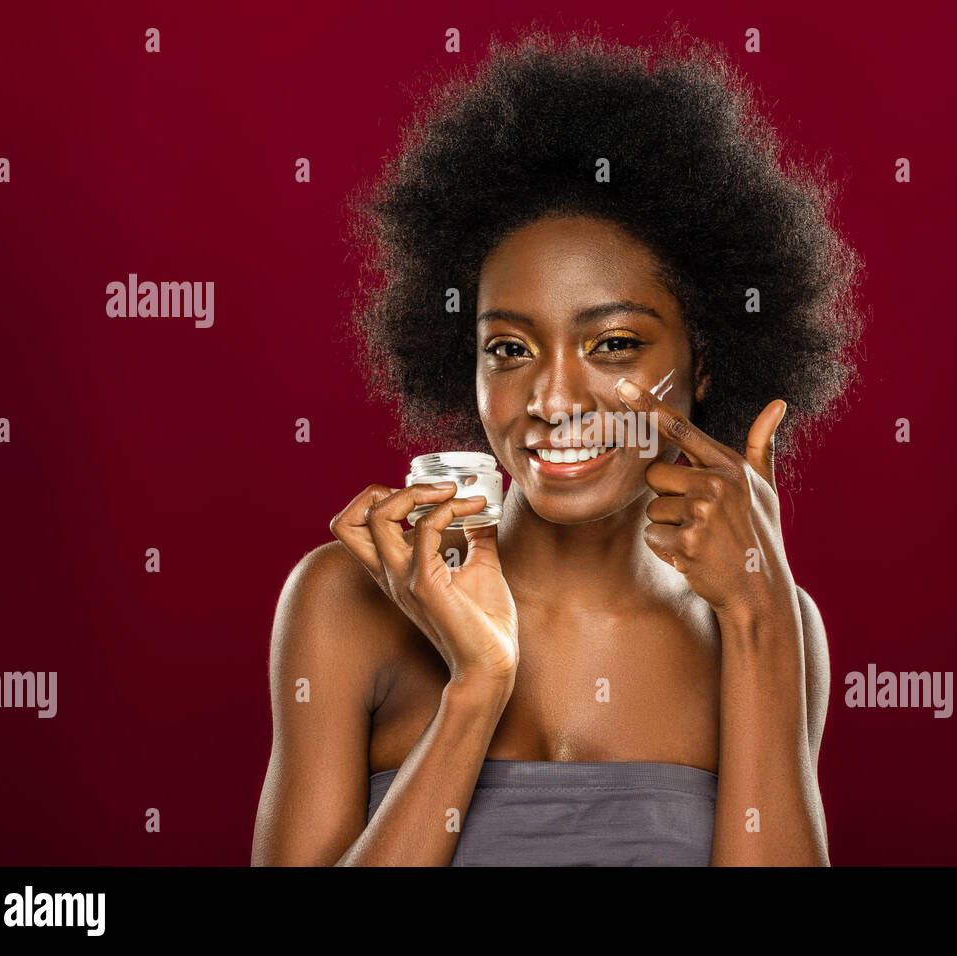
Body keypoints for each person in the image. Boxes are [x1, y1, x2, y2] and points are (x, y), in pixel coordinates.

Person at [251, 20, 864, 866]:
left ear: (707, 362)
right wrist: (477, 689)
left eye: (614, 345)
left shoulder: (769, 625)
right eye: (510, 349)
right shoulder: (345, 603)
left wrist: (761, 617)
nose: (552, 399)